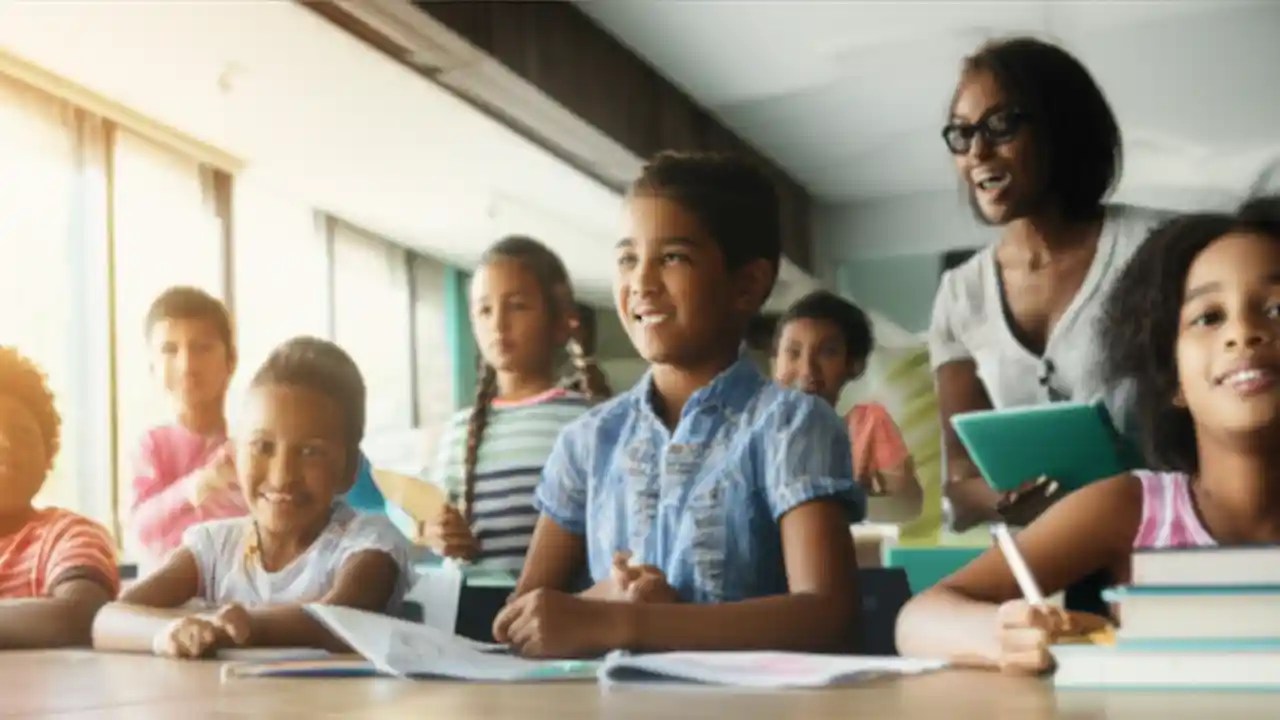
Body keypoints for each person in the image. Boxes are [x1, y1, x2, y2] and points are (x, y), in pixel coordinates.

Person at [493, 150, 865, 658]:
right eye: (627, 258)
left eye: (672, 258)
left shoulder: (792, 426)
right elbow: (521, 620)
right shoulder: (588, 441)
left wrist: (632, 624)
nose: (641, 283)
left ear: (747, 284)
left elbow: (826, 614)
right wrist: (606, 599)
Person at [897, 197, 1280, 673]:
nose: (1244, 332)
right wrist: (1003, 635)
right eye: (1208, 317)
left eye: (1276, 308)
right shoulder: (1132, 508)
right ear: (1171, 377)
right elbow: (919, 618)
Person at [929, 37, 1169, 530]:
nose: (978, 150)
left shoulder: (1160, 249)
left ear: (1062, 126)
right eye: (962, 133)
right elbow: (959, 487)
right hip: (1041, 569)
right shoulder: (959, 295)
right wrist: (1005, 498)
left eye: (1001, 125)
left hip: (1157, 543)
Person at [93, 337, 413, 658]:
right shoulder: (216, 548)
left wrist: (244, 626)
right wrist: (167, 632)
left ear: (349, 469)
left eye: (310, 452)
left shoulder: (368, 544)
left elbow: (342, 619)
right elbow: (109, 619)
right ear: (235, 454)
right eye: (262, 447)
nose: (282, 475)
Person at [417, 236, 609, 575]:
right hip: (468, 615)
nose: (498, 323)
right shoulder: (458, 431)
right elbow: (428, 520)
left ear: (560, 321)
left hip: (562, 616)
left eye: (518, 306)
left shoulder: (591, 420)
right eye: (485, 309)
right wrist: (436, 532)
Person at [0, 346, 119, 648]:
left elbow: (78, 616)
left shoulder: (66, 534)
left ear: (47, 453)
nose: (7, 449)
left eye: (24, 435)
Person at [773, 290, 923, 522]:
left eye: (827, 352)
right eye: (793, 353)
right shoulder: (756, 429)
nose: (807, 370)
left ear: (854, 365)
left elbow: (907, 506)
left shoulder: (868, 424)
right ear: (775, 362)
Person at [129, 287, 246, 566]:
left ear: (231, 361)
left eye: (202, 348)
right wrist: (197, 485)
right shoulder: (150, 445)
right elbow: (139, 531)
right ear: (151, 366)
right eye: (170, 350)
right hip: (163, 595)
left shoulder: (250, 450)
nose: (187, 364)